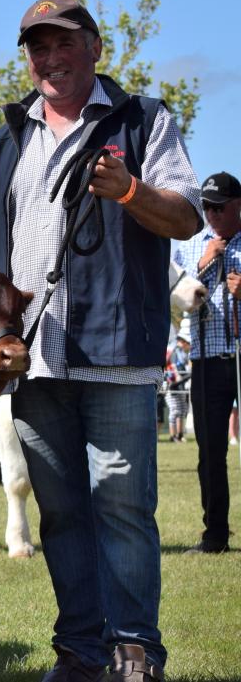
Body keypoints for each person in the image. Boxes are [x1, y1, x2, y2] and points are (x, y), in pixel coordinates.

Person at [0, 0, 200, 682]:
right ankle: (80, 649)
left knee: (123, 507)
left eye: (64, 42)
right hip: (32, 360)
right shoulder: (7, 139)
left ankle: (134, 648)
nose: (50, 57)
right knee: (62, 512)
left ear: (95, 47)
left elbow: (186, 218)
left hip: (117, 350)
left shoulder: (144, 120)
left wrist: (131, 192)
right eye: (38, 46)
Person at [172, 171, 241, 553]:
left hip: (240, 354)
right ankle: (215, 535)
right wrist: (204, 261)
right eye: (207, 207)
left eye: (219, 207)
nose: (211, 215)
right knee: (210, 453)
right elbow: (178, 295)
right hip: (206, 359)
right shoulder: (189, 245)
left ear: (238, 206)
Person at [163, 331, 191, 443]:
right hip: (172, 385)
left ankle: (179, 435)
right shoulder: (174, 351)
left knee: (182, 410)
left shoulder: (182, 352)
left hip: (181, 385)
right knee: (174, 411)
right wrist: (178, 376)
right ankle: (172, 436)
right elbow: (173, 366)